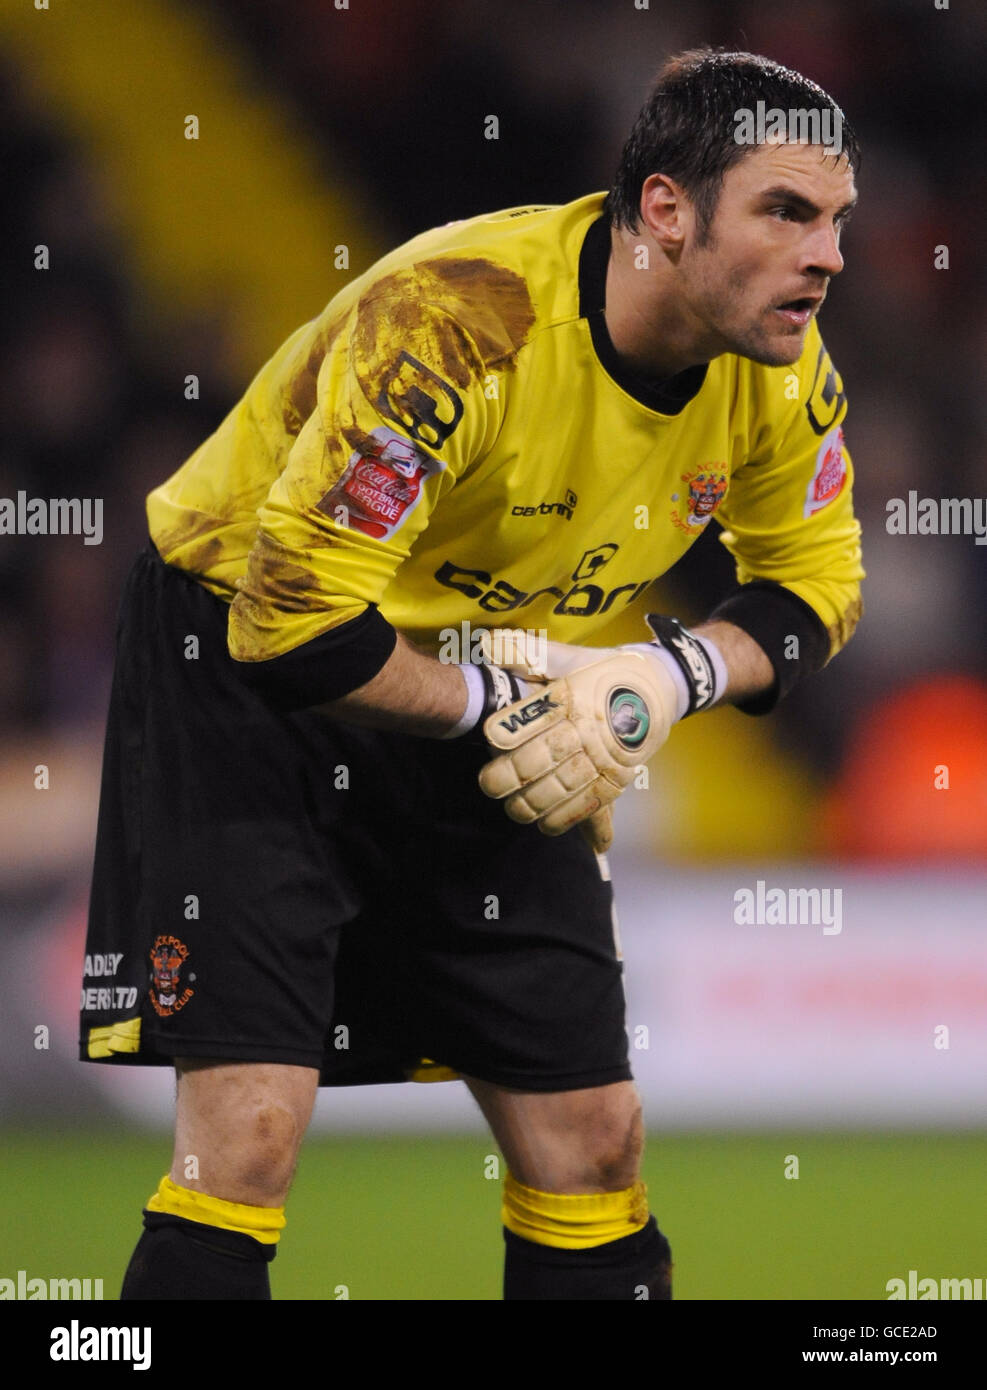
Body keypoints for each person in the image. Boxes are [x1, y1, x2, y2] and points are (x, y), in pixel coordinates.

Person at [80, 47, 863, 1301]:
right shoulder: (461, 320)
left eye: (836, 222)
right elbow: (290, 626)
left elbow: (815, 587)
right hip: (248, 656)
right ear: (665, 209)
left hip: (495, 671)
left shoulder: (782, 377)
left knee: (594, 1142)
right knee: (247, 1140)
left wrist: (658, 683)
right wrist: (504, 704)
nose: (826, 256)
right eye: (785, 212)